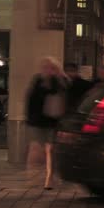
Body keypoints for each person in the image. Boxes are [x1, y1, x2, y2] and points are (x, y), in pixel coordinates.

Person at [25, 57, 68, 189]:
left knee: (51, 151)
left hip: (53, 122)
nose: (47, 70)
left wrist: (59, 77)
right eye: (45, 67)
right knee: (36, 150)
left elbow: (64, 98)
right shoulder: (38, 80)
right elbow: (31, 99)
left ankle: (49, 179)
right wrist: (29, 118)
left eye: (50, 67)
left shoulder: (59, 82)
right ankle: (33, 177)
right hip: (38, 121)